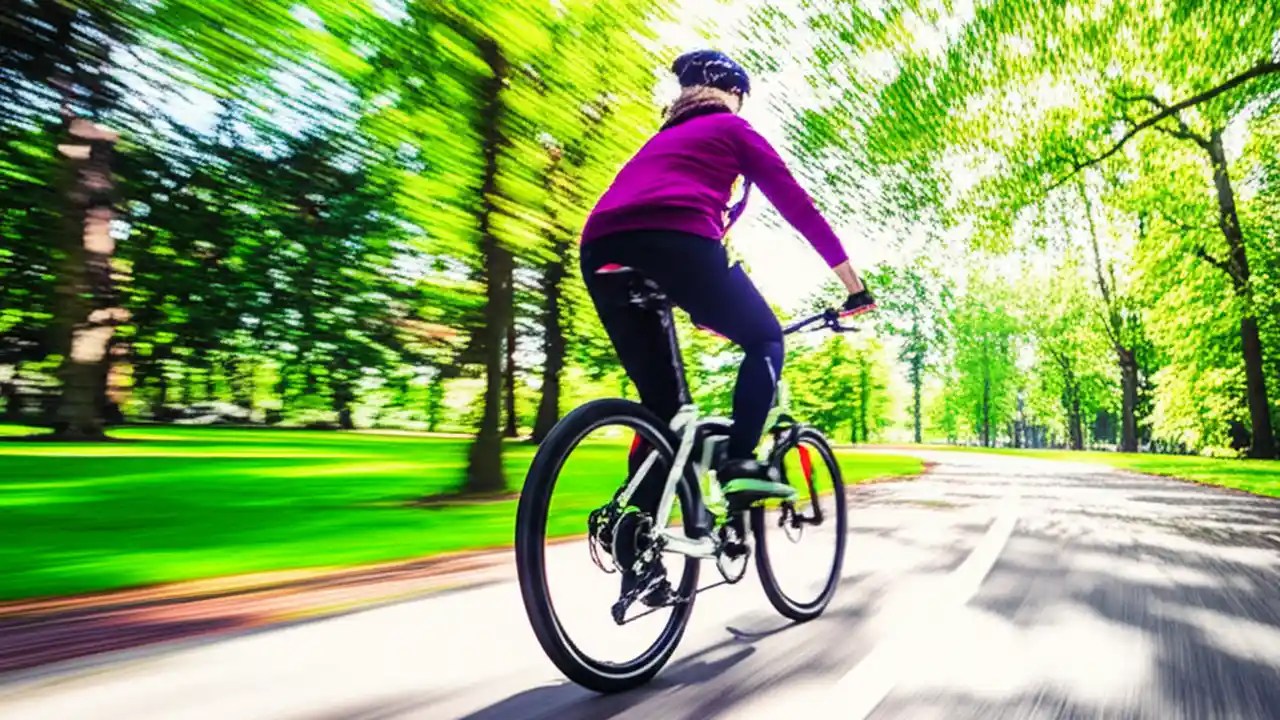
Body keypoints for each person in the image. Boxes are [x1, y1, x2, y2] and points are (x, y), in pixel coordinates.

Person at [579, 50, 875, 615]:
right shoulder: (732, 128)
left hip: (601, 249)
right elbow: (797, 206)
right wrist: (853, 285)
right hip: (675, 241)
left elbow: (674, 238)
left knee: (665, 415)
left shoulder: (659, 143)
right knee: (766, 339)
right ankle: (741, 466)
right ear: (732, 94)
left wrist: (703, 307)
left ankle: (637, 550)